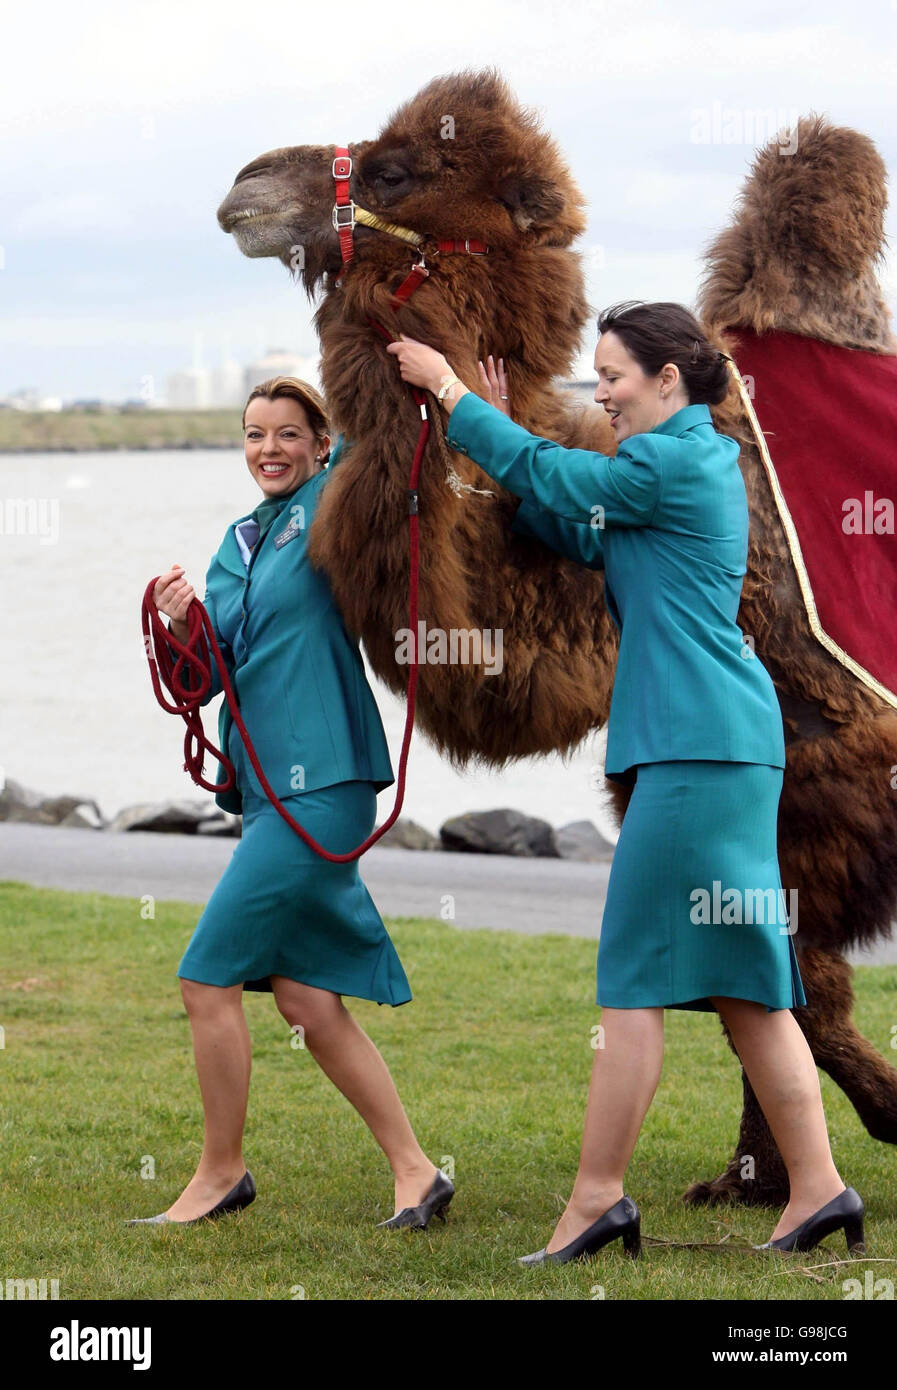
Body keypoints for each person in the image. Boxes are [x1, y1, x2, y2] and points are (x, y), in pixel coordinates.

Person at [386, 303, 864, 1265]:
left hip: (693, 753)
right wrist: (493, 438)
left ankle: (596, 1201)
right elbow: (580, 520)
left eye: (611, 377)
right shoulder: (677, 468)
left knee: (632, 985)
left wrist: (449, 395)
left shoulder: (678, 459)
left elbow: (561, 476)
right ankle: (817, 1191)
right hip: (720, 747)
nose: (597, 393)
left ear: (668, 381)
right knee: (748, 989)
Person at [128, 376, 453, 1230]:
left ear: (318, 443)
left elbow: (386, 450)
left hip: (322, 785)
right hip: (266, 790)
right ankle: (417, 1173)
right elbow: (212, 668)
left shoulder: (332, 503)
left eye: (285, 434)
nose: (267, 448)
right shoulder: (235, 544)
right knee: (308, 1004)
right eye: (252, 435)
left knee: (206, 979)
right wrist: (180, 623)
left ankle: (219, 1174)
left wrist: (432, 388)